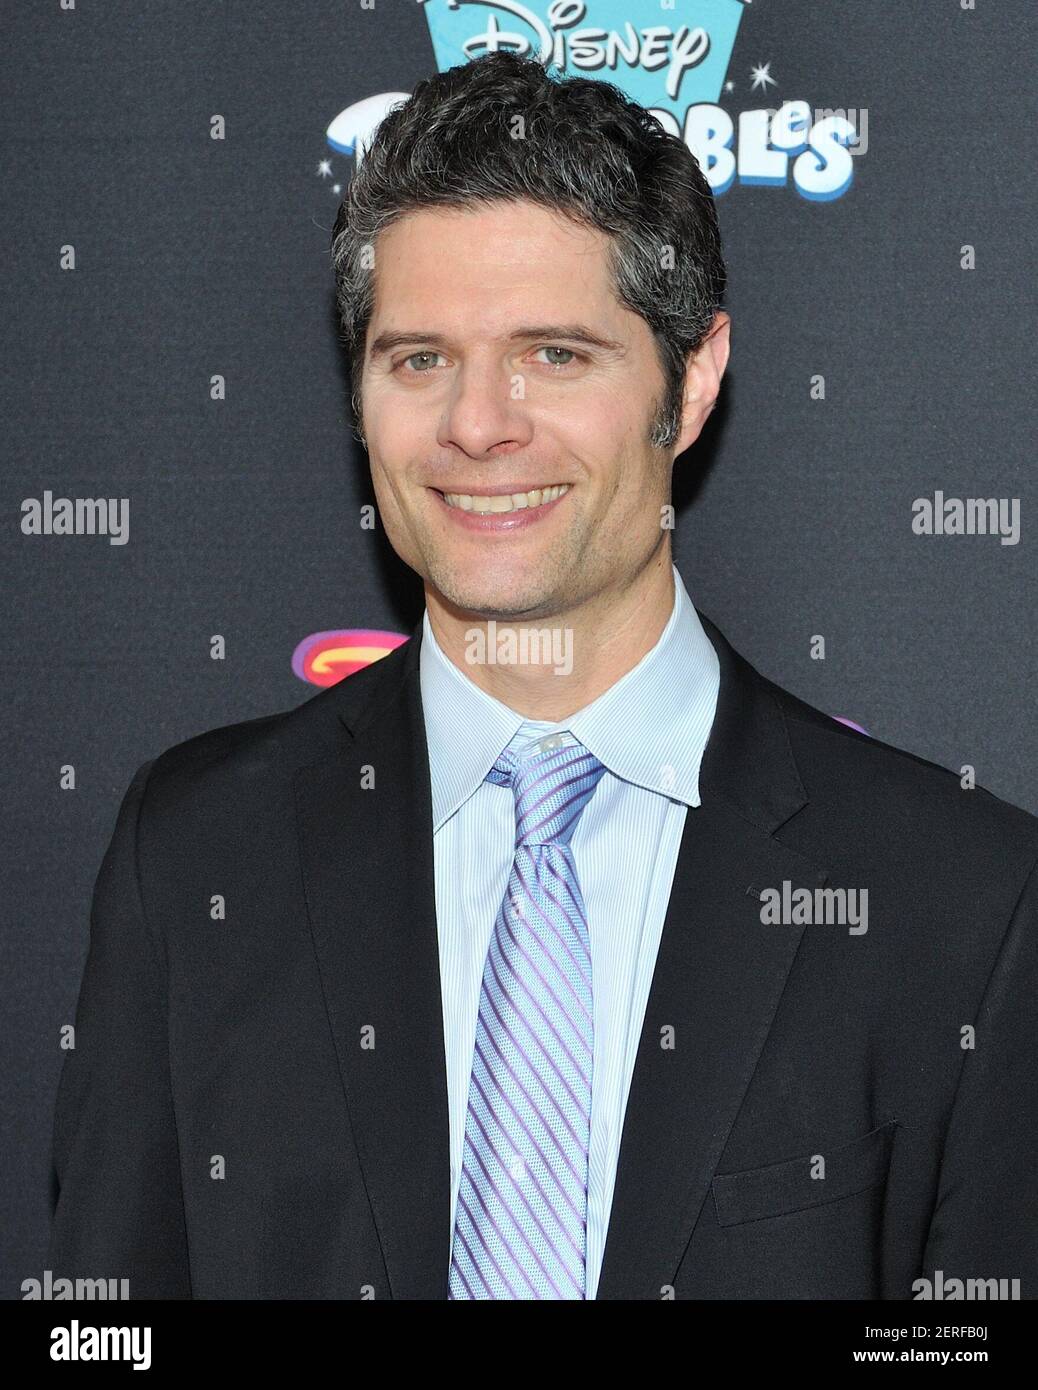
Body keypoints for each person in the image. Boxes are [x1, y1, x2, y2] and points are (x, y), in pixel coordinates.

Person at [47, 51, 1038, 1300]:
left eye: (555, 355)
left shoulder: (958, 901)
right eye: (419, 360)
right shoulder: (195, 858)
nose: (478, 423)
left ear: (692, 376)